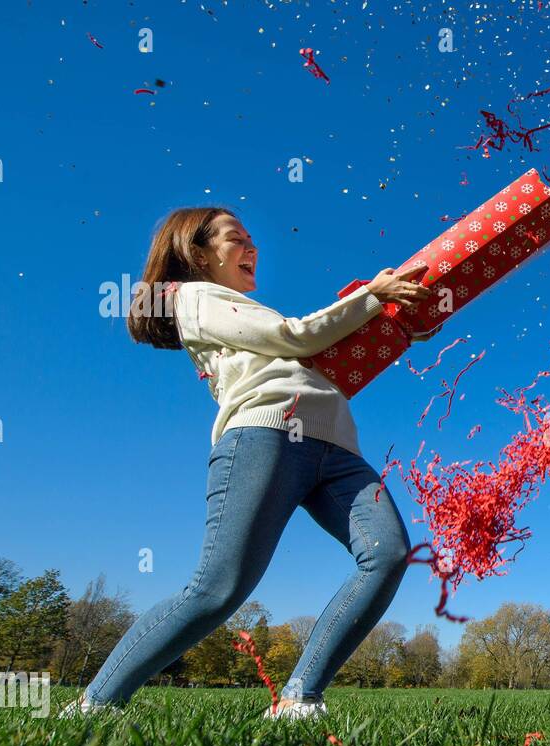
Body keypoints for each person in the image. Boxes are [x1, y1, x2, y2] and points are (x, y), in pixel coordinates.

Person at [62, 207, 431, 719]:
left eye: (253, 238)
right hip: (265, 435)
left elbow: (323, 357)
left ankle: (300, 698)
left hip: (340, 449)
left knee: (387, 553)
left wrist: (398, 327)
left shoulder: (234, 308)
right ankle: (96, 704)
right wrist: (372, 295)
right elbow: (295, 336)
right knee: (219, 588)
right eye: (237, 239)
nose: (252, 248)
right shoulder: (194, 297)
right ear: (197, 253)